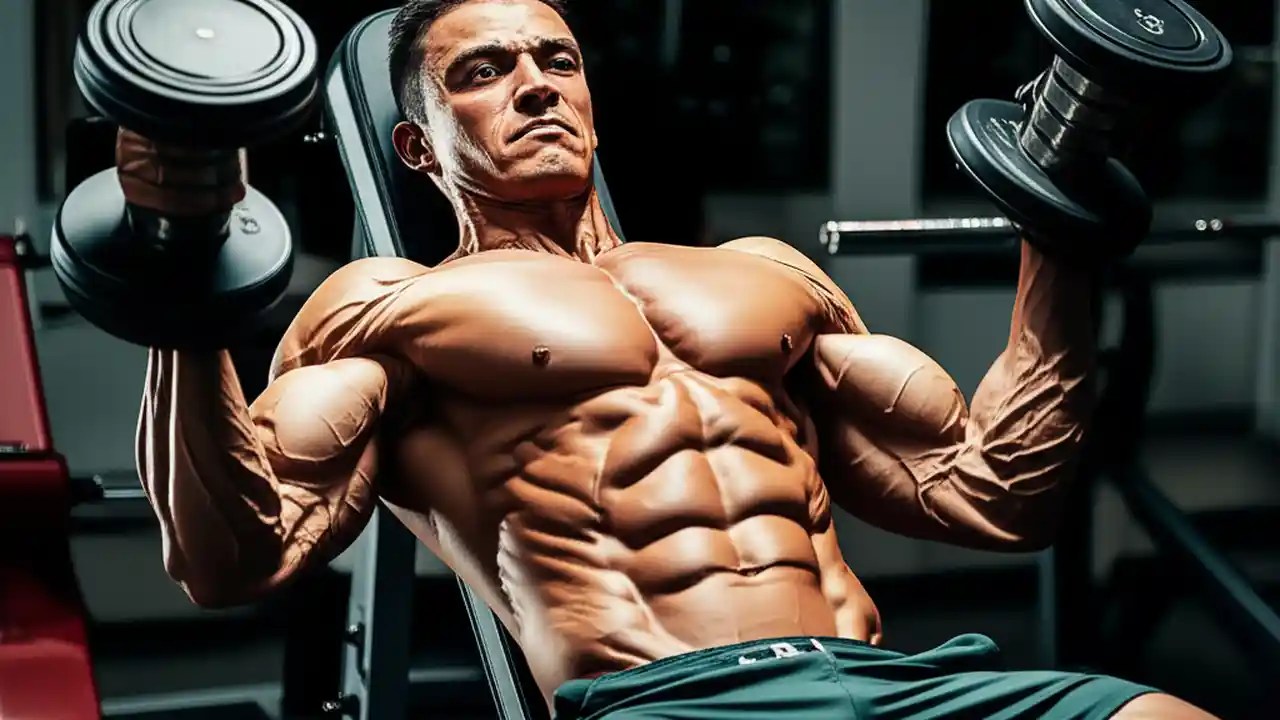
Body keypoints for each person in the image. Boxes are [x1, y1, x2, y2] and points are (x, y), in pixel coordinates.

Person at [124, 0, 1219, 717]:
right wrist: (180, 274)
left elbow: (993, 495)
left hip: (889, 685)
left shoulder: (759, 273)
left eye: (557, 59)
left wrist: (1054, 225)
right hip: (669, 701)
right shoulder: (393, 307)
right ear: (416, 145)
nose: (537, 85)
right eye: (485, 71)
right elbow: (233, 556)